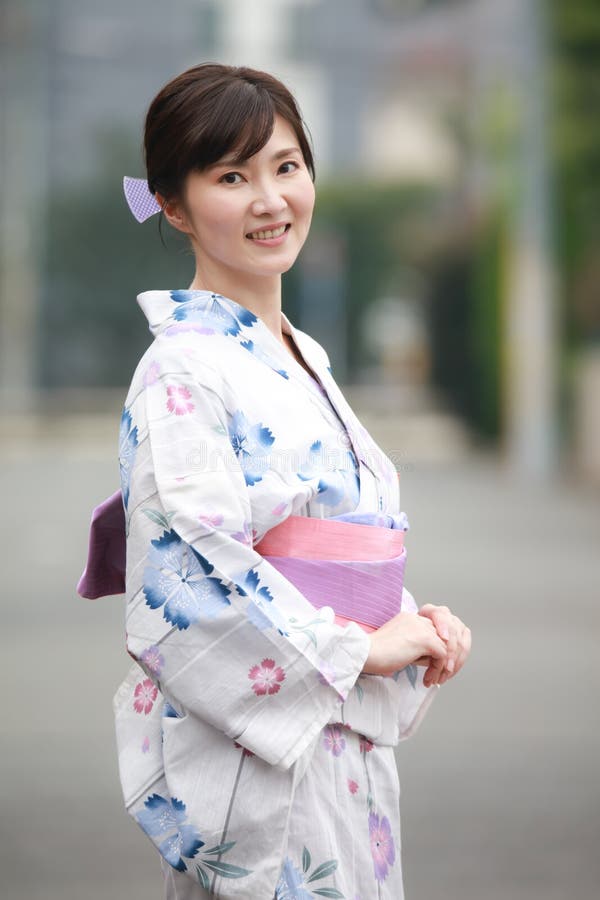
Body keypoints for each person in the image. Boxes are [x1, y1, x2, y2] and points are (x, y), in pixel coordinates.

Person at [96, 62, 471, 899]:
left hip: (341, 751)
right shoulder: (183, 370)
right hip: (268, 766)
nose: (270, 200)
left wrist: (411, 624)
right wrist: (359, 648)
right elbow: (187, 582)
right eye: (232, 177)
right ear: (172, 204)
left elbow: (344, 547)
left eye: (286, 166)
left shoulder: (301, 357)